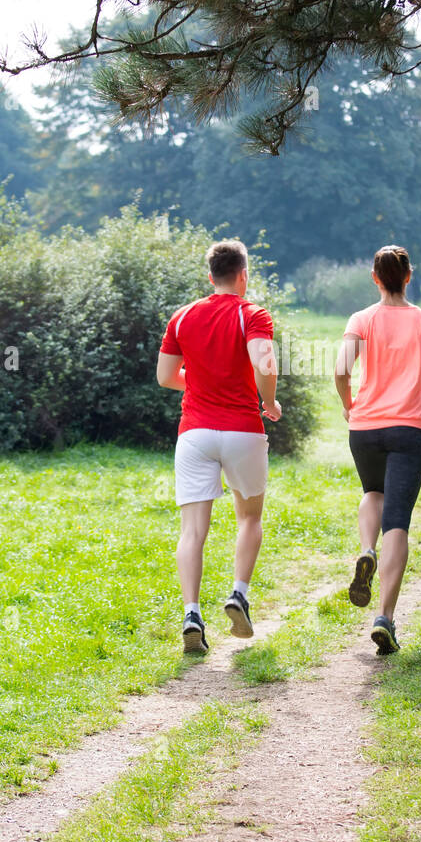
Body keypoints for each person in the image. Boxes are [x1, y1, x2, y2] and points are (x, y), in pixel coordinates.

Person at [156, 239, 281, 654]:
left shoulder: (183, 316)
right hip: (242, 431)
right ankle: (238, 595)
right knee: (249, 518)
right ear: (243, 275)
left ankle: (191, 613)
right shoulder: (253, 314)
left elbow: (165, 376)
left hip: (194, 434)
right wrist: (269, 402)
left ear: (210, 276)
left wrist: (203, 383)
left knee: (192, 531)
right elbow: (264, 363)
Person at [334, 245, 421, 654]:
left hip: (365, 427)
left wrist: (350, 405)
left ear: (374, 277)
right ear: (408, 276)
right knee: (397, 521)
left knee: (372, 494)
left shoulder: (361, 319)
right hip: (408, 430)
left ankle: (366, 550)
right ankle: (384, 616)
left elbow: (340, 370)